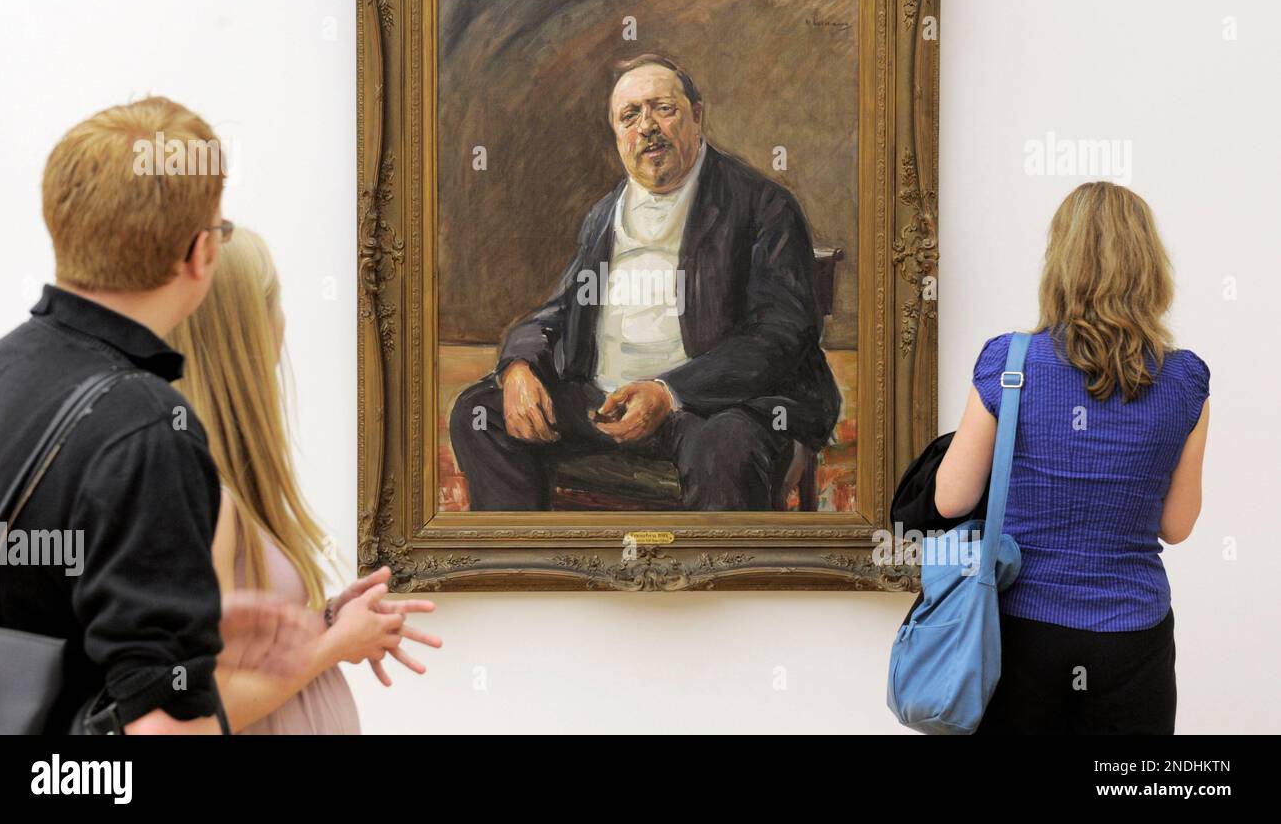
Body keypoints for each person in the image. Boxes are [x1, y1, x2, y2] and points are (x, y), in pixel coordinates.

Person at [0, 97, 292, 733]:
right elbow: (163, 725)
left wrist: (183, 611)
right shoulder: (150, 429)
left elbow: (27, 588)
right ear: (200, 254)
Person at [450, 54, 841, 511]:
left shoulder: (763, 205)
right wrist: (518, 366)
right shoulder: (604, 214)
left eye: (663, 108)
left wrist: (667, 391)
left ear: (697, 116)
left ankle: (718, 580)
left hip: (713, 405)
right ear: (617, 135)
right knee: (479, 415)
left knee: (726, 449)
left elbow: (781, 334)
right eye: (630, 115)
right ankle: (528, 566)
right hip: (603, 400)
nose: (648, 127)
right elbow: (557, 311)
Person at [935, 181, 1210, 734]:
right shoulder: (1184, 380)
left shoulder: (1009, 363)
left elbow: (950, 499)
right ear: (1151, 267)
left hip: (1019, 634)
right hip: (1132, 639)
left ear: (1058, 263)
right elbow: (1176, 526)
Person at [170, 227, 442, 733]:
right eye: (274, 302)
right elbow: (202, 709)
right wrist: (332, 647)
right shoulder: (208, 497)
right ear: (245, 325)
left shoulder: (232, 485)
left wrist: (330, 621)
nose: (284, 321)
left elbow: (246, 655)